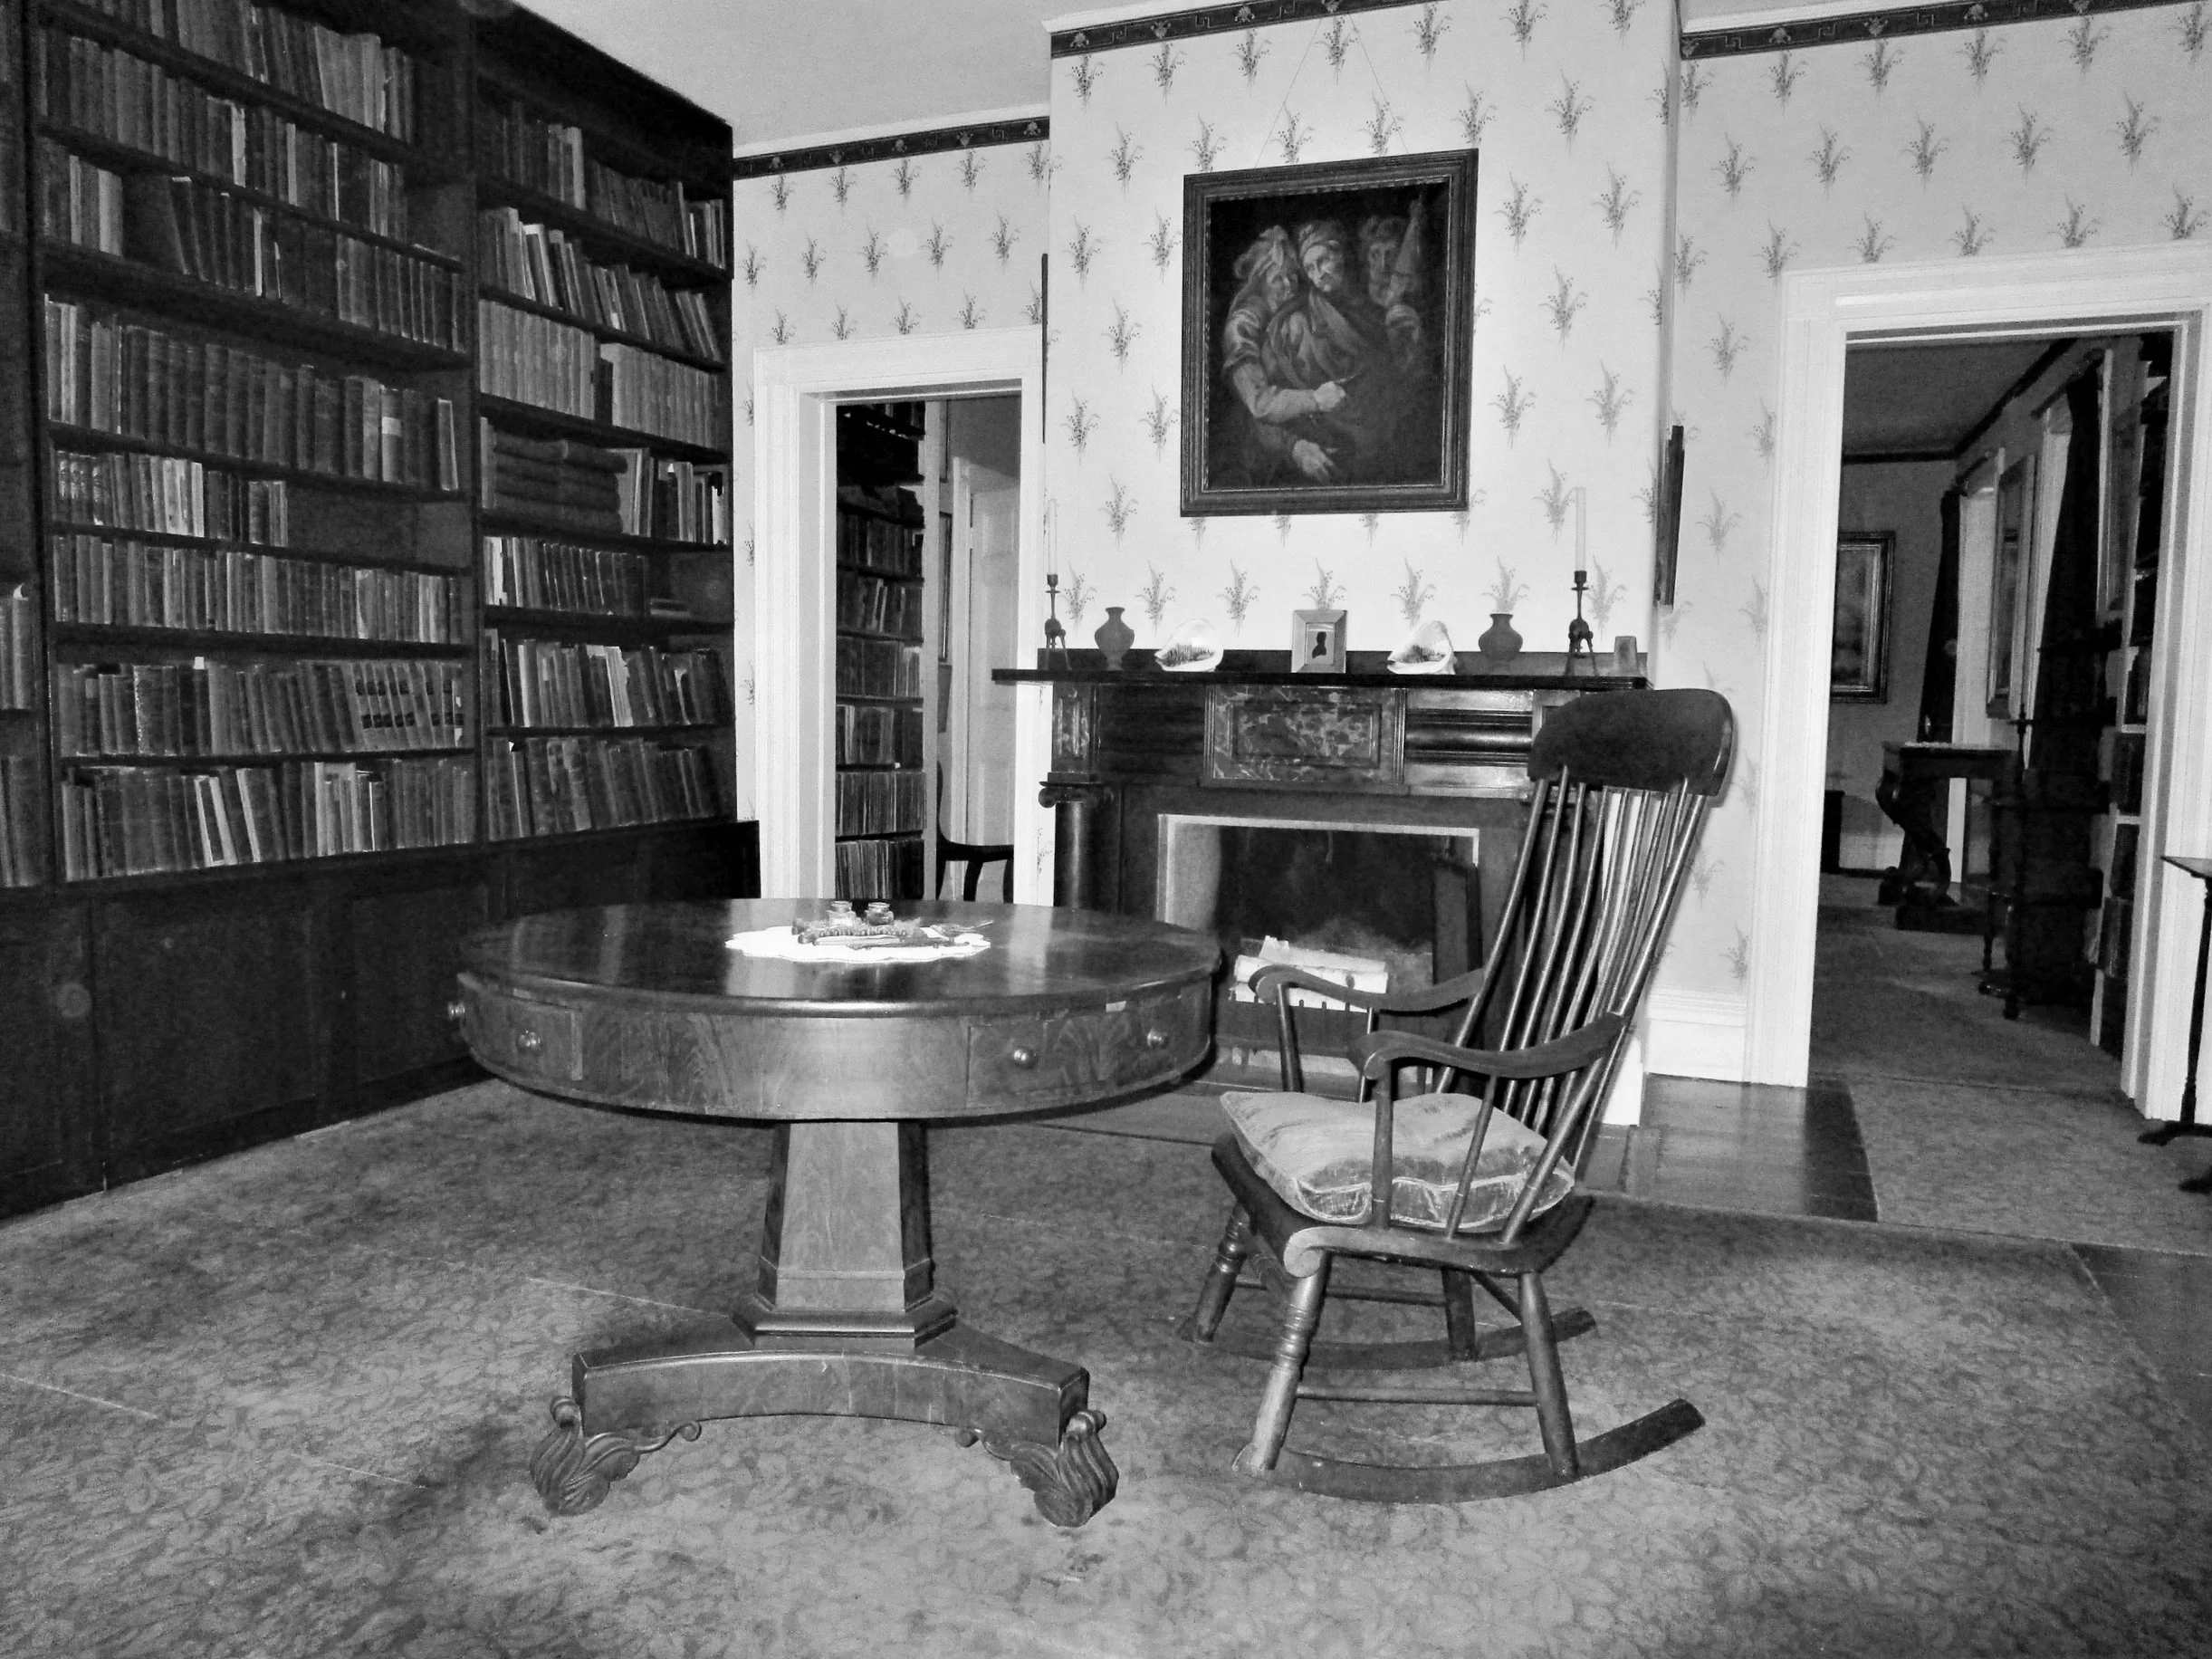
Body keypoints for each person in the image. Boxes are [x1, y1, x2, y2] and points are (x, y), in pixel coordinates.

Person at [1218, 227, 1348, 486]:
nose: (1289, 285)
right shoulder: (1241, 328)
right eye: (1278, 278)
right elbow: (1259, 403)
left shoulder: (1290, 314)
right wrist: (1315, 400)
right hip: (1257, 453)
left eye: (1292, 275)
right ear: (1260, 283)